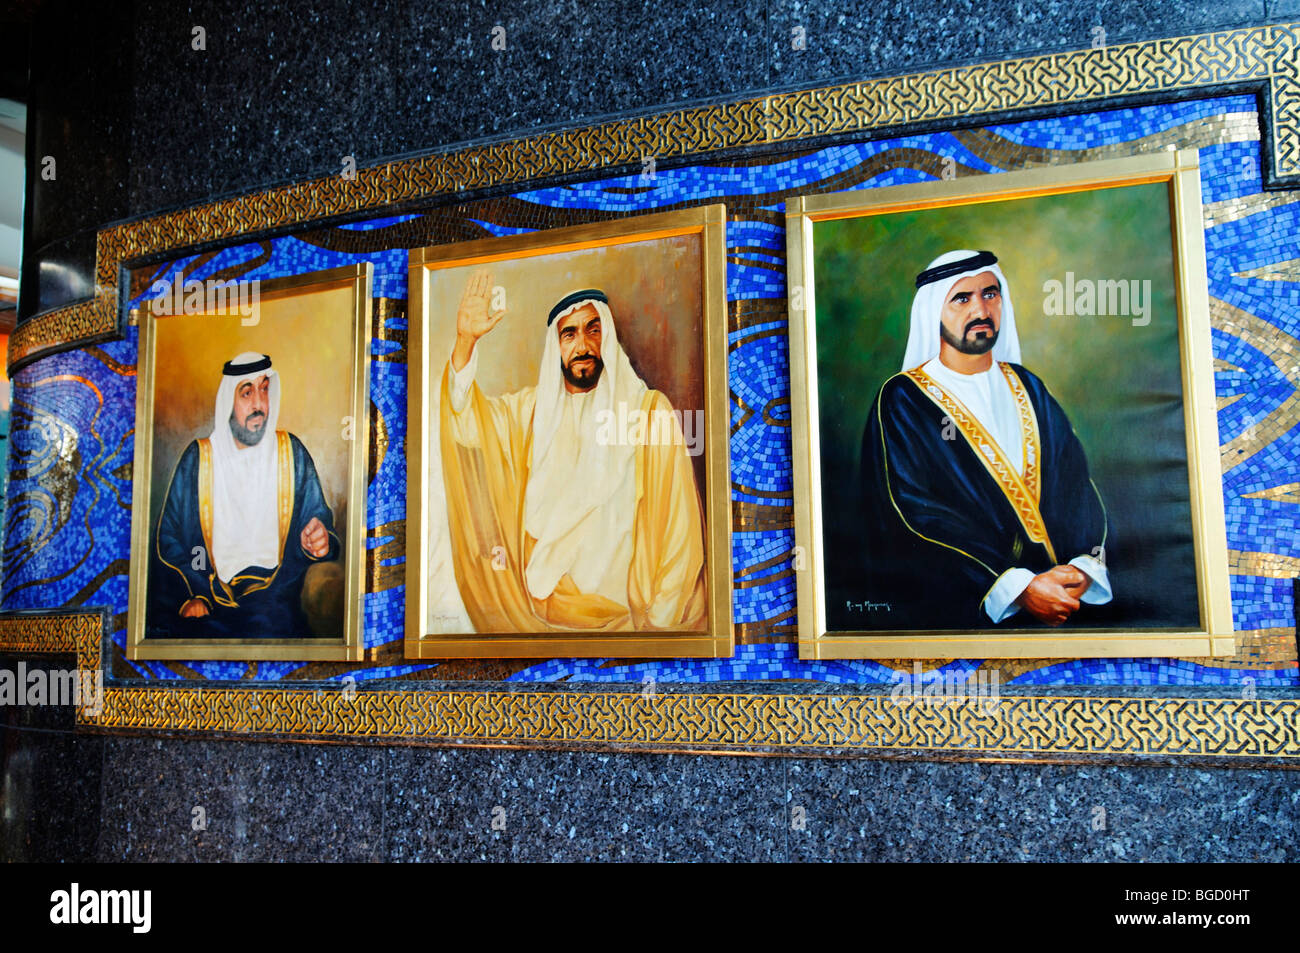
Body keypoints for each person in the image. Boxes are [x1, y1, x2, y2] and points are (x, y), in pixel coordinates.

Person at [437, 269, 706, 633]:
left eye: (593, 330)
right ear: (557, 345)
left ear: (606, 335)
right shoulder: (530, 415)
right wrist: (465, 341)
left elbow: (681, 532)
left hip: (634, 625)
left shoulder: (648, 413)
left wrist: (657, 628)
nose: (583, 345)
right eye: (570, 333)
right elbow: (467, 421)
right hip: (545, 622)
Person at [860, 250, 1112, 628]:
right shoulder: (904, 398)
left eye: (990, 294)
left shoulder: (1028, 386)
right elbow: (914, 514)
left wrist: (1081, 569)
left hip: (1065, 601)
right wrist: (1017, 587)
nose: (980, 309)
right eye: (962, 298)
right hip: (965, 609)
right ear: (933, 311)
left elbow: (1075, 481)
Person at [151, 353, 340, 638]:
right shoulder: (198, 460)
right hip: (208, 599)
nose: (259, 405)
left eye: (264, 390)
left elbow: (318, 521)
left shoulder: (291, 454)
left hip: (276, 601)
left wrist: (318, 541)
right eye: (247, 393)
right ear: (228, 400)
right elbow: (169, 539)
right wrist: (196, 593)